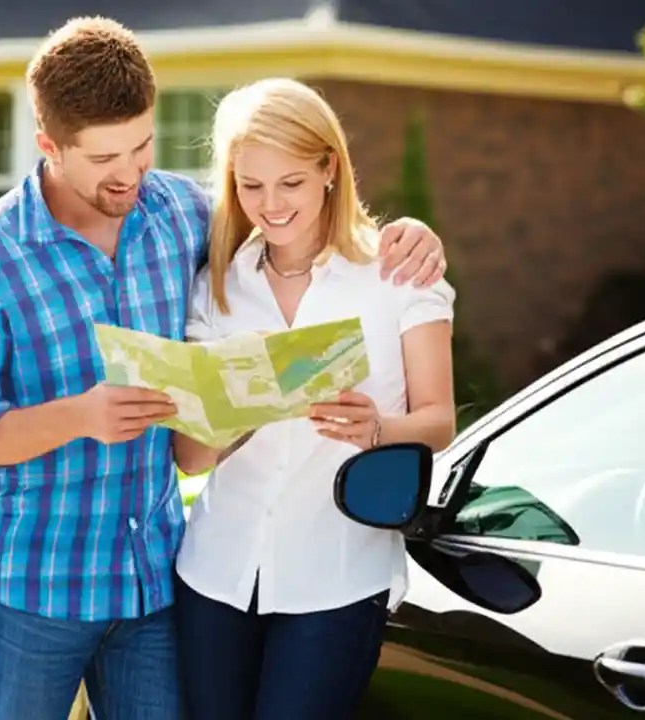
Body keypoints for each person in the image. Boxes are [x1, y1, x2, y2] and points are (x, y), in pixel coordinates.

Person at [0, 17, 450, 720]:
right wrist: (80, 416)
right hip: (38, 588)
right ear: (50, 146)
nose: (132, 172)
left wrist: (411, 233)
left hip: (154, 587)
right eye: (107, 157)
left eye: (143, 145)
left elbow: (289, 212)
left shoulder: (178, 215)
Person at [171, 77, 459, 720]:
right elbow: (190, 458)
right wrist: (237, 411)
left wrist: (379, 427)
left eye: (290, 182)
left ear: (330, 167)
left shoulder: (397, 273)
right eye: (251, 185)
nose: (270, 205)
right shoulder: (217, 287)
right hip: (216, 572)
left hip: (338, 577)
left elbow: (439, 421)